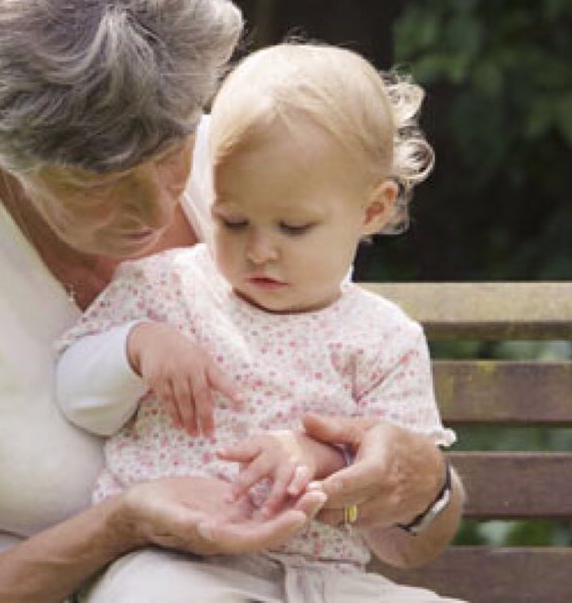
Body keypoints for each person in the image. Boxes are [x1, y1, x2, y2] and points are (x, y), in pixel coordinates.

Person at [0, 0, 462, 600]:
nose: (156, 210)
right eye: (95, 183)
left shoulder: (250, 167)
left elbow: (401, 528)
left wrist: (414, 483)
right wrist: (119, 526)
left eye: (170, 151)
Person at [55, 42, 464, 602]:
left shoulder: (385, 339)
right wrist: (135, 348)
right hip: (173, 563)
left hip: (329, 579)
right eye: (233, 220)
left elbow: (390, 479)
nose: (259, 251)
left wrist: (320, 459)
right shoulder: (162, 288)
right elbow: (76, 397)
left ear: (372, 210)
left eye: (292, 227)